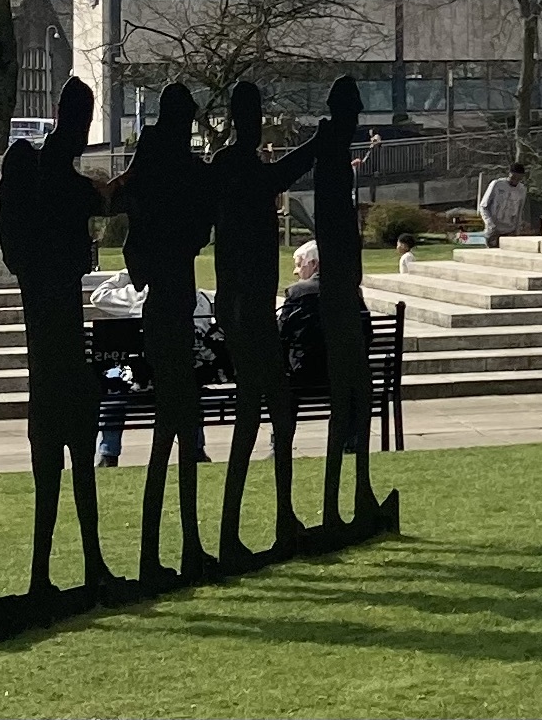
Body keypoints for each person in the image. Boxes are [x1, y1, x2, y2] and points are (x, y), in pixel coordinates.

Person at [0, 77, 118, 596]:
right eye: (79, 122)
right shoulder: (51, 182)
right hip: (53, 349)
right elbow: (96, 198)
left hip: (59, 346)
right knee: (56, 464)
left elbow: (102, 198)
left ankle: (81, 567)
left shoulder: (56, 181)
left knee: (69, 463)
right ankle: (49, 574)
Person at [209, 81, 327, 564]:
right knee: (261, 413)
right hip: (245, 309)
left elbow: (279, 174)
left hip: (249, 306)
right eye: (254, 114)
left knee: (270, 412)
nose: (259, 123)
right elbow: (280, 175)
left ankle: (275, 518)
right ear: (243, 118)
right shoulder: (233, 167)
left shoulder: (242, 166)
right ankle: (244, 526)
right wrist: (318, 144)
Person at [121, 82, 215, 584]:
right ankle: (163, 550)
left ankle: (175, 546)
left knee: (174, 429)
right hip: (170, 295)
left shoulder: (161, 156)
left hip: (168, 293)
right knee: (171, 428)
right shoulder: (170, 158)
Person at [311, 74, 379, 529]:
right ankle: (343, 497)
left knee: (357, 390)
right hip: (338, 287)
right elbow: (333, 222)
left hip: (341, 281)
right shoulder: (331, 149)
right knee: (352, 389)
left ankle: (355, 491)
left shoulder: (331, 148)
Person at [89, 270, 209, 469]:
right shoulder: (199, 299)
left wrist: (128, 273)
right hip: (184, 381)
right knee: (189, 387)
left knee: (113, 391)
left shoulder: (140, 296)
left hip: (141, 383)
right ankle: (196, 450)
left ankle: (108, 454)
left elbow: (98, 296)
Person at [478, 162, 529, 247]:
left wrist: (517, 230)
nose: (515, 180)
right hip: (494, 229)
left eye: (518, 178)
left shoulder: (522, 190)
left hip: (509, 230)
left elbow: (519, 211)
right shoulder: (497, 184)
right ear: (509, 174)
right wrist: (490, 223)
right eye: (514, 177)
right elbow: (483, 206)